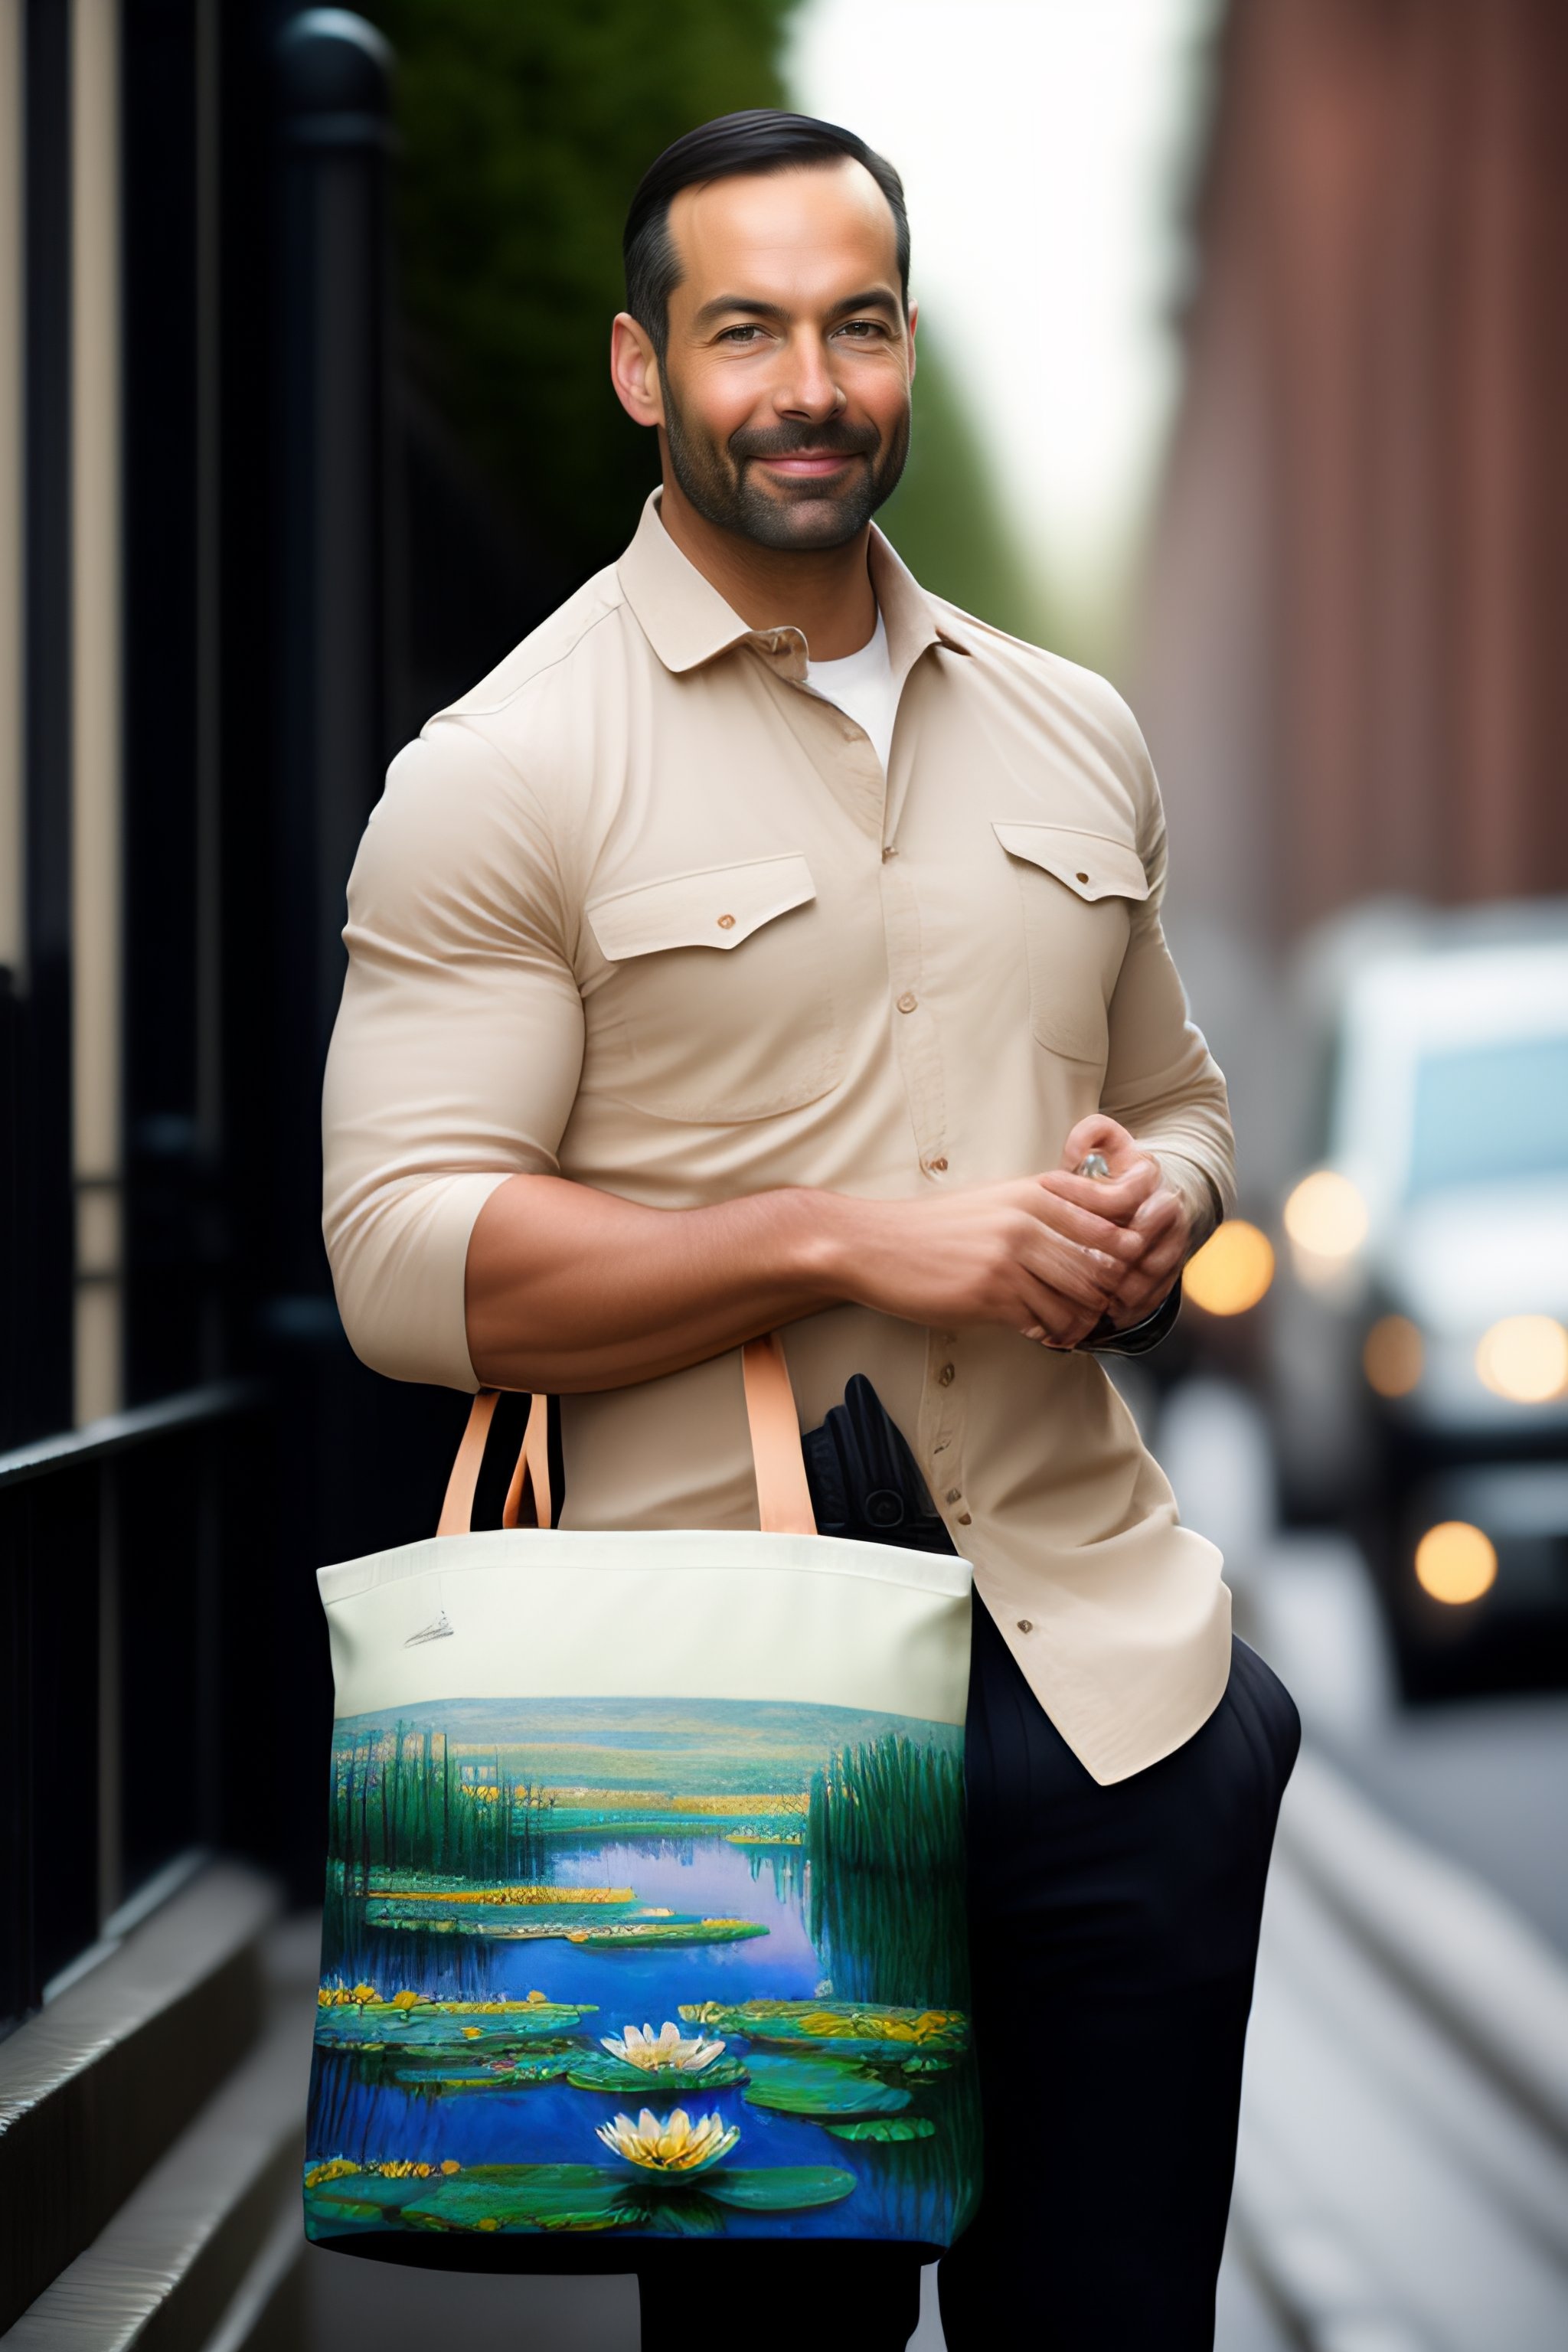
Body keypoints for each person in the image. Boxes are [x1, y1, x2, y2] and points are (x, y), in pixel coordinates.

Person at [322, 108, 1298, 2352]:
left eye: (854, 325)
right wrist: (857, 1241)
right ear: (642, 369)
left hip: (1120, 1710)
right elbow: (402, 1259)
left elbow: (1180, 1097)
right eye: (744, 328)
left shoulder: (1078, 733)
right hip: (727, 1764)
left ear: (907, 349)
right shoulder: (505, 770)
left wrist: (1156, 1201)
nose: (809, 382)